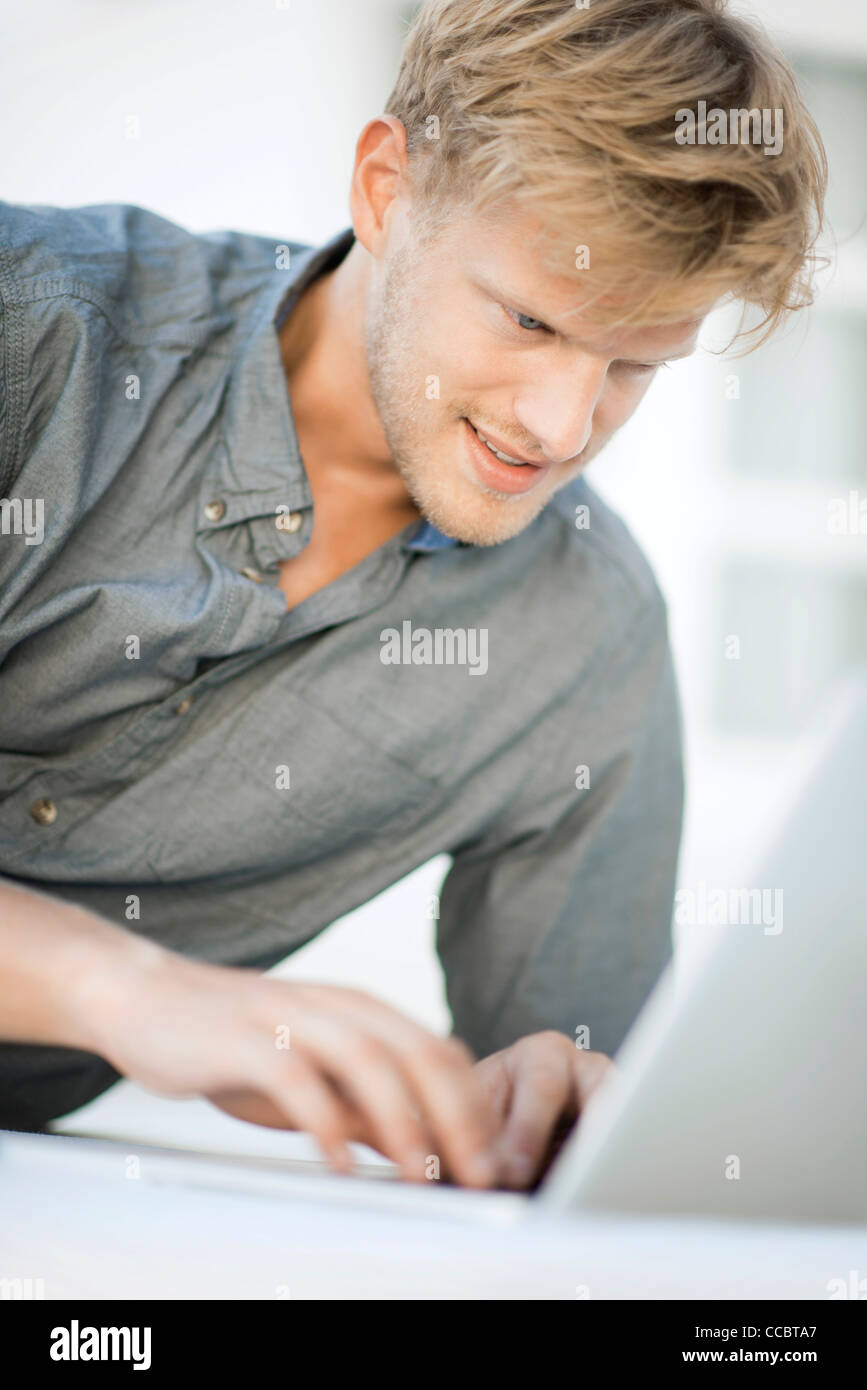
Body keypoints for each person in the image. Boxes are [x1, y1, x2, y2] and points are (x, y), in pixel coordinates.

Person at [0, 0, 826, 1187]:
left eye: (634, 364)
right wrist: (123, 989)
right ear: (386, 188)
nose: (560, 426)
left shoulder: (586, 645)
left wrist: (528, 1111)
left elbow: (587, 1140)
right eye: (530, 318)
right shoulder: (35, 330)